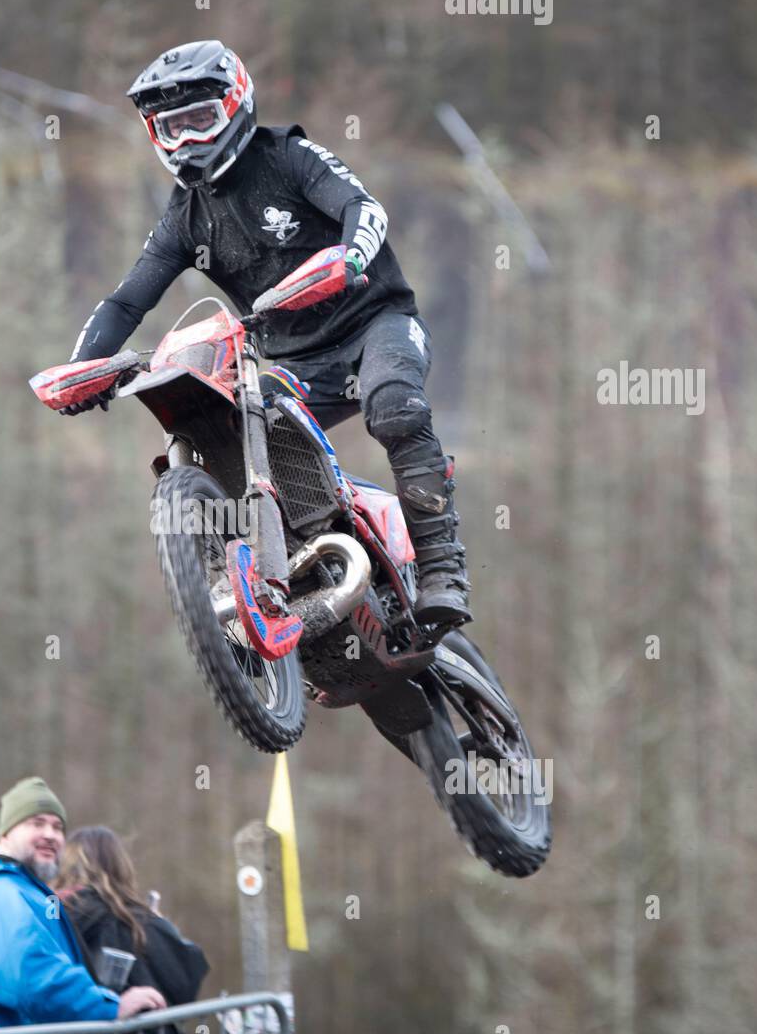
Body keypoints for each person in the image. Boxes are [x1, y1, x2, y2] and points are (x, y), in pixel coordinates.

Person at [65, 40, 470, 627]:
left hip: (376, 325)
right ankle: (294, 572)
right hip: (292, 361)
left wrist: (350, 258)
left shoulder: (289, 156)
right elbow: (128, 300)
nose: (189, 141)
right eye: (172, 128)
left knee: (394, 408)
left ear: (236, 105)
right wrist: (83, 369)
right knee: (233, 431)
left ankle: (440, 570)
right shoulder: (184, 217)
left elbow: (365, 209)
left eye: (201, 120)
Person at [0, 777, 165, 1034]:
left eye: (58, 827)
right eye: (36, 823)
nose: (50, 834)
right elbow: (29, 976)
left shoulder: (20, 893)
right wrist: (110, 1006)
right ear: (4, 837)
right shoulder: (2, 894)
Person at [56, 826, 210, 1034]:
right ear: (120, 866)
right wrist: (162, 925)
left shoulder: (52, 921)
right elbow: (187, 980)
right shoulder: (140, 921)